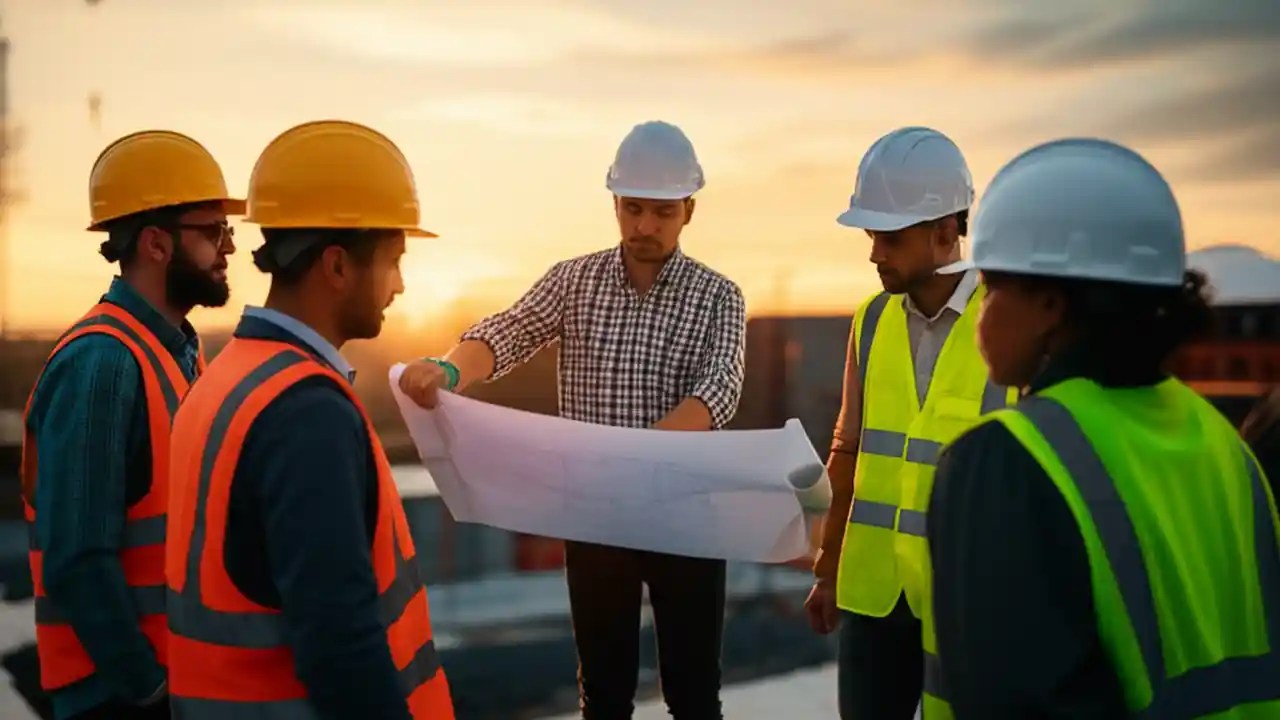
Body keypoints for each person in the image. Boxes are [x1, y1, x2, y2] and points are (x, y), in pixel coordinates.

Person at [398, 119, 747, 719]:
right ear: (614, 202)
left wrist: (640, 457)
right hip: (595, 519)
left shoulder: (719, 297)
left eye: (661, 213)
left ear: (689, 210)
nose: (644, 226)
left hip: (686, 518)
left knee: (693, 697)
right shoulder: (573, 282)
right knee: (604, 696)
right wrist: (451, 371)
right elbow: (507, 332)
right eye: (632, 208)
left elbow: (719, 390)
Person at [928, 138, 1280, 718]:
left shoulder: (1008, 461)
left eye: (990, 289)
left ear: (1049, 304)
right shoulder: (1225, 445)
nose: (980, 315)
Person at [164, 120, 454, 719]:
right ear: (338, 266)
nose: (399, 285)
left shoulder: (226, 376)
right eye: (393, 261)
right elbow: (340, 647)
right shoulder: (306, 413)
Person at [20, 129, 242, 720]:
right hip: (119, 697)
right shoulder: (103, 362)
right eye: (213, 231)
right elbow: (78, 558)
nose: (229, 248)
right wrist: (147, 687)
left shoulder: (177, 352)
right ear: (156, 244)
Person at [801, 126, 1015, 720]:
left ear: (947, 231)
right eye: (871, 236)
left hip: (966, 599)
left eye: (889, 238)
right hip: (873, 598)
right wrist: (828, 569)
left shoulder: (1007, 319)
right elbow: (848, 451)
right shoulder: (871, 321)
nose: (874, 254)